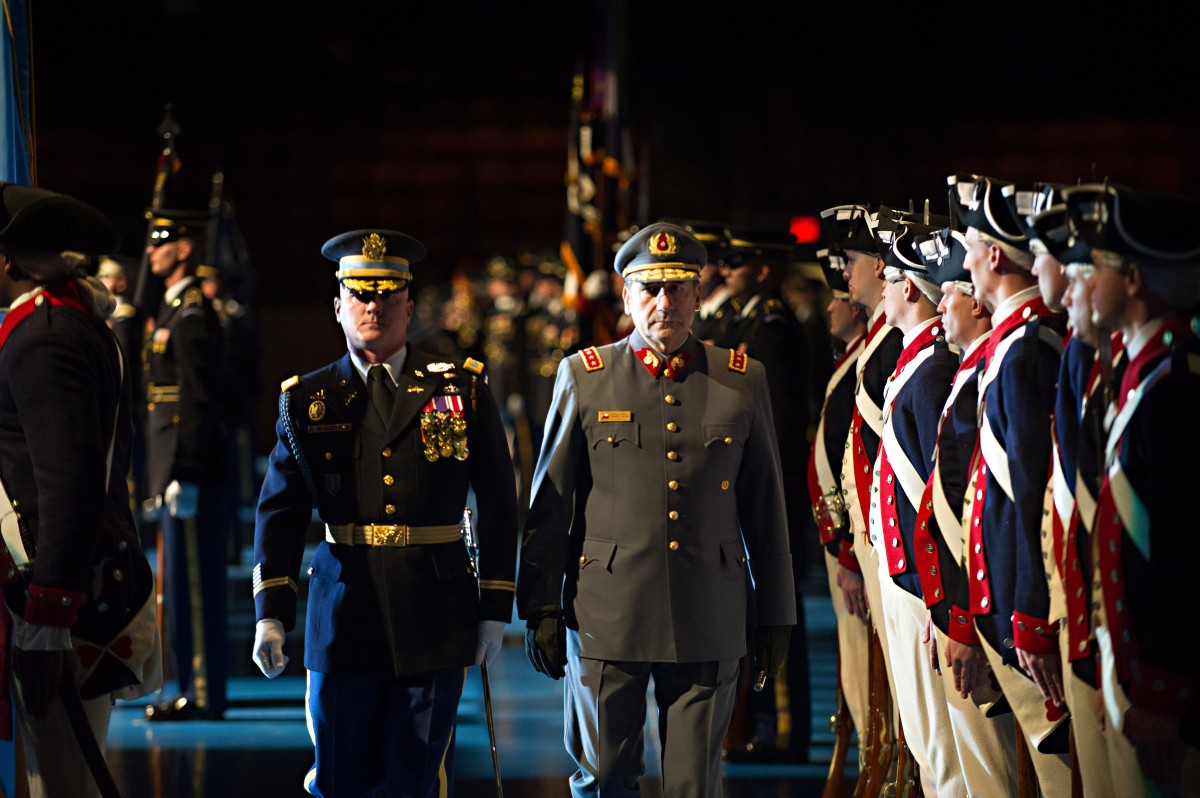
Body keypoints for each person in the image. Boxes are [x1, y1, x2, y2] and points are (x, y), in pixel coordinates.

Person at [518, 221, 795, 796]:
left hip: (709, 612)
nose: (663, 302)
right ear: (626, 296)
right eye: (649, 288)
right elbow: (550, 503)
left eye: (676, 288)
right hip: (607, 613)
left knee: (694, 784)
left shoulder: (742, 380)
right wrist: (540, 603)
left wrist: (775, 612)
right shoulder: (584, 378)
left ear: (698, 292)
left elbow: (766, 509)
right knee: (604, 778)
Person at [251, 228, 518, 797]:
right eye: (360, 294)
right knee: (340, 774)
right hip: (343, 606)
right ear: (338, 306)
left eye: (387, 295)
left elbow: (498, 498)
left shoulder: (461, 389)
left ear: (409, 305)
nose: (373, 306)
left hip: (435, 607)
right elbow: (281, 509)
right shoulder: (306, 398)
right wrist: (271, 610)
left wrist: (495, 606)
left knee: (415, 776)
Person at [0, 182, 160, 796]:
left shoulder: (45, 337)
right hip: (63, 585)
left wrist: (46, 623)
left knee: (62, 785)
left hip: (61, 597)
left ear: (10, 261)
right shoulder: (61, 321)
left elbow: (68, 488)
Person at [1065, 184, 1200, 796]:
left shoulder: (1174, 390)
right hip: (1132, 669)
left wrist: (1161, 692)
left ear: (1135, 280)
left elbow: (1180, 554)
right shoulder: (1144, 377)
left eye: (1097, 268)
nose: (1085, 282)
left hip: (1162, 688)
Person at [951, 173, 1072, 793]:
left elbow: (1029, 494)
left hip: (1023, 604)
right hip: (1001, 593)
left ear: (994, 256)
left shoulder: (1026, 351)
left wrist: (1028, 615)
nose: (965, 262)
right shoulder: (1012, 345)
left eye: (970, 247)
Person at [914, 225, 1020, 797]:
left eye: (948, 294)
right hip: (958, 598)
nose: (942, 307)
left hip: (985, 606)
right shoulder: (966, 368)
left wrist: (957, 613)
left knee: (988, 771)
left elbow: (981, 506)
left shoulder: (988, 366)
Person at [867, 216, 963, 796]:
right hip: (906, 573)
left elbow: (941, 494)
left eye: (892, 276)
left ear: (910, 289)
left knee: (940, 743)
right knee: (924, 738)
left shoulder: (930, 372)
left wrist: (939, 595)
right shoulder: (914, 360)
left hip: (920, 580)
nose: (882, 284)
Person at [719, 227, 812, 764]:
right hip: (759, 486)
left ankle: (786, 731)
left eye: (739, 261)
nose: (727, 270)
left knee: (777, 610)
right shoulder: (748, 318)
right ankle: (773, 728)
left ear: (763, 268)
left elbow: (772, 421)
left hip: (776, 489)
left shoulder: (771, 325)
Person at [141, 211, 231, 722]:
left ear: (185, 249)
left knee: (194, 588)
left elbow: (198, 398)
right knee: (179, 585)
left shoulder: (192, 311)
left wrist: (187, 471)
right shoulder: (176, 308)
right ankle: (193, 686)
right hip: (173, 464)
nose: (153, 251)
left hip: (188, 468)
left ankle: (201, 691)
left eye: (163, 242)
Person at [807, 243, 871, 743]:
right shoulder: (854, 357)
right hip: (845, 543)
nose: (830, 305)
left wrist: (847, 548)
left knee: (868, 681)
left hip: (859, 545)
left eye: (839, 293)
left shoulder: (871, 358)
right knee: (856, 674)